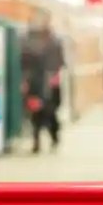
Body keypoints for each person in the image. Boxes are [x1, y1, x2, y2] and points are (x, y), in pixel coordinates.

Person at [19, 9, 66, 153]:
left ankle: (54, 136)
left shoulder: (54, 41)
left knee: (50, 111)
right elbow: (24, 63)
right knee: (35, 112)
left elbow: (59, 61)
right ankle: (36, 141)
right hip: (34, 81)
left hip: (50, 82)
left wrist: (55, 76)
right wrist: (24, 80)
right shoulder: (26, 40)